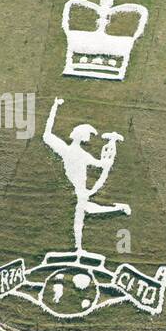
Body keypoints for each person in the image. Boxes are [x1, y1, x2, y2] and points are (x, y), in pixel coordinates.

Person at [41, 98, 131, 251]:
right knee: (86, 211)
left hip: (79, 189)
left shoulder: (71, 151)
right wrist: (54, 106)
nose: (88, 139)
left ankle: (78, 248)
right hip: (76, 188)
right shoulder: (73, 152)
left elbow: (47, 134)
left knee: (82, 214)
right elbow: (47, 135)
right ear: (81, 136)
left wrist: (110, 151)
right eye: (88, 136)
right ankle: (119, 210)